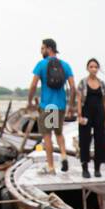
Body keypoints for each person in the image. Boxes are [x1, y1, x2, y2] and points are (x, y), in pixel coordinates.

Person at [27, 38, 76, 173]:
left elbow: (33, 85)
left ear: (49, 48)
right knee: (59, 133)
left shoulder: (41, 64)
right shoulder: (65, 65)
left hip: (47, 106)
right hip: (60, 106)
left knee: (47, 135)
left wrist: (30, 101)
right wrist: (71, 105)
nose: (41, 51)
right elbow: (73, 88)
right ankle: (64, 156)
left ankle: (50, 166)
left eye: (42, 48)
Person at [77, 58, 105, 178]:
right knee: (84, 140)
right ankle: (85, 167)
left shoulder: (102, 84)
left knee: (100, 140)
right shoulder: (82, 82)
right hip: (86, 112)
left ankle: (97, 168)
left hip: (99, 113)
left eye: (96, 67)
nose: (93, 69)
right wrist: (79, 115)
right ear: (87, 68)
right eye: (91, 67)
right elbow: (79, 99)